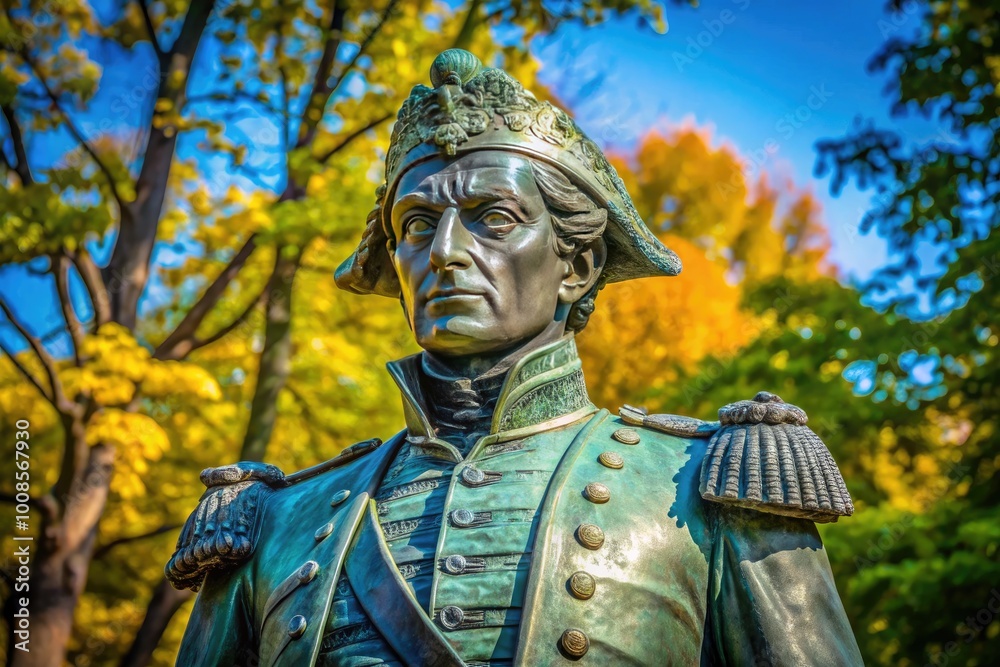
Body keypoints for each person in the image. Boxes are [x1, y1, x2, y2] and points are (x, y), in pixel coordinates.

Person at [167, 49, 864, 667]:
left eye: (492, 217)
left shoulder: (709, 489)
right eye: (415, 224)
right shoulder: (276, 521)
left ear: (578, 264)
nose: (443, 251)